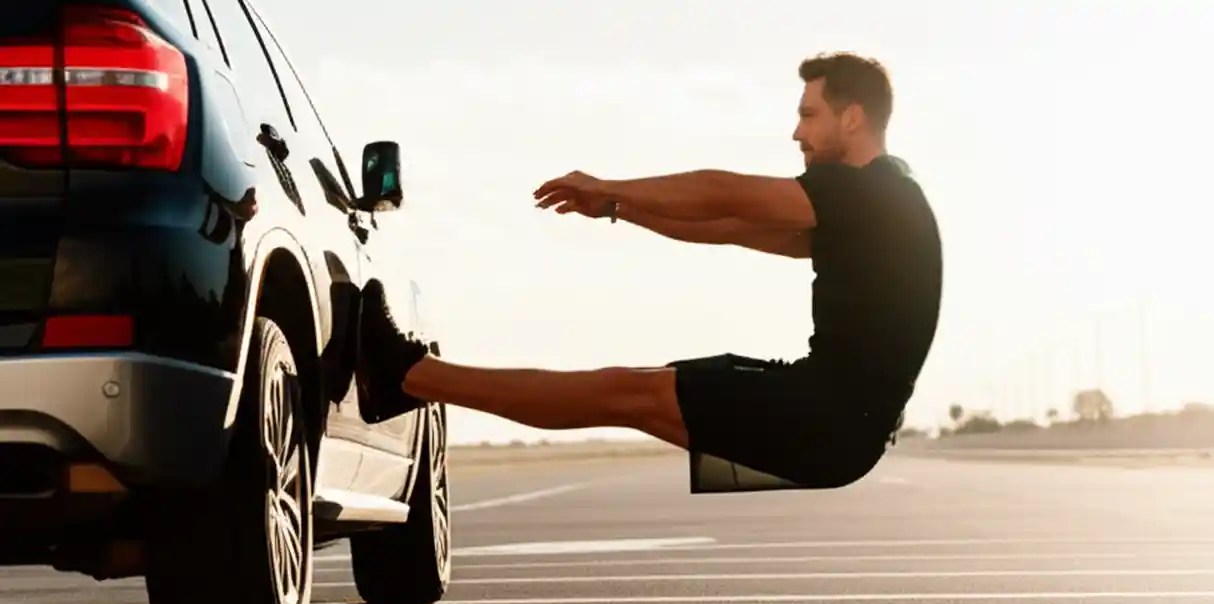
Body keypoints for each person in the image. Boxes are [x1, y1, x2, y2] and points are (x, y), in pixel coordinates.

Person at [355, 51, 943, 493]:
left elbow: (722, 194)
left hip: (827, 418)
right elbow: (730, 227)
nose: (796, 133)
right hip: (834, 419)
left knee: (621, 393)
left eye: (809, 115)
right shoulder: (884, 197)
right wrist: (619, 208)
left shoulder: (872, 192)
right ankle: (413, 378)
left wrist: (608, 184)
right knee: (630, 389)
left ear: (852, 118)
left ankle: (408, 376)